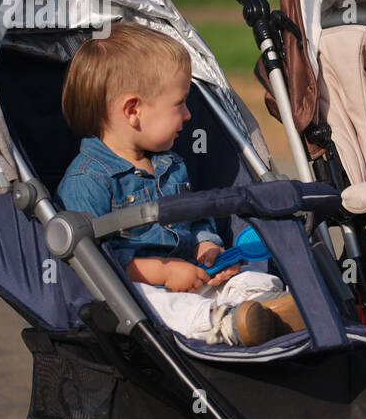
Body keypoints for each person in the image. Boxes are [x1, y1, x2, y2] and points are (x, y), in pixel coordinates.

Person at [55, 23, 301, 346]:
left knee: (250, 275)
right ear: (133, 111)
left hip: (189, 276)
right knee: (155, 303)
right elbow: (96, 267)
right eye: (179, 104)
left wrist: (207, 246)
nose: (188, 115)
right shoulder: (87, 181)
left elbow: (196, 218)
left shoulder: (170, 163)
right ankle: (221, 323)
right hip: (135, 293)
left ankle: (256, 309)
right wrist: (165, 271)